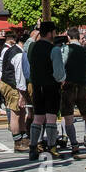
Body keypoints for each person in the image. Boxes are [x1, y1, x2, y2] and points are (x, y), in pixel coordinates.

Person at [52, 26, 86, 157]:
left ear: (68, 37)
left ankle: (74, 145)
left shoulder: (65, 50)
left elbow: (60, 68)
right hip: (83, 85)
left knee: (68, 116)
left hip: (68, 86)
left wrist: (60, 82)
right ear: (78, 36)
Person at [26, 20, 64, 162]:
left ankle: (33, 147)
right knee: (51, 116)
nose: (55, 34)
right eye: (54, 32)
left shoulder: (33, 47)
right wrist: (62, 79)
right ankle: (52, 147)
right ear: (50, 33)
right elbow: (59, 73)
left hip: (36, 85)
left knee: (38, 116)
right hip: (50, 85)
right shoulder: (54, 49)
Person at [0, 30, 30, 151]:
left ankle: (24, 137)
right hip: (12, 85)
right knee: (15, 113)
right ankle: (18, 142)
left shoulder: (12, 50)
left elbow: (0, 65)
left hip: (8, 82)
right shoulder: (18, 54)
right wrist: (22, 94)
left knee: (21, 112)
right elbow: (19, 76)